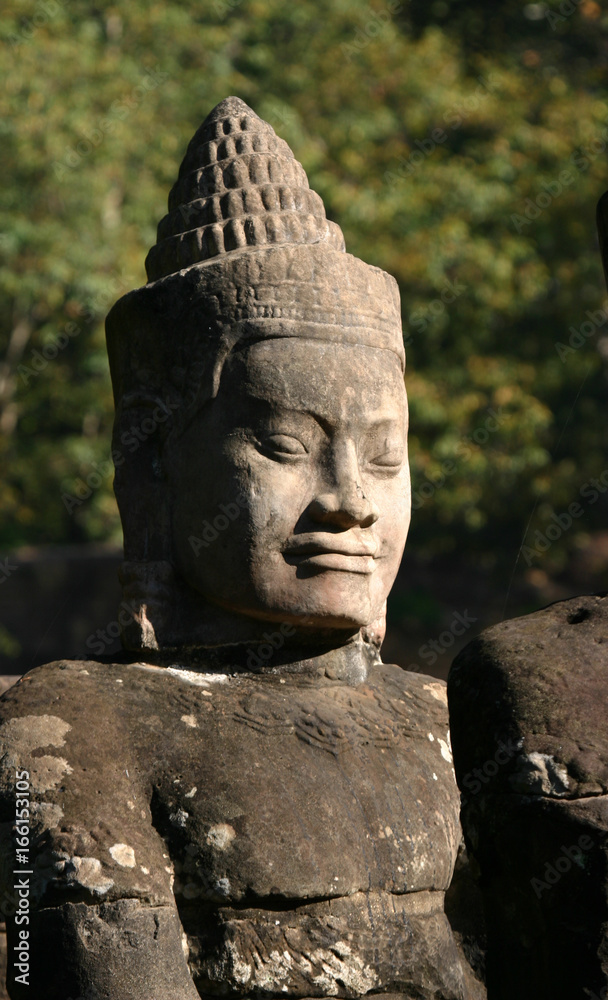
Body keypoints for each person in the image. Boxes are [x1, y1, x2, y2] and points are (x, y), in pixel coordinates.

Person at [0, 97, 484, 999]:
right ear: (152, 461)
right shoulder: (72, 735)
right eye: (287, 447)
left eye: (386, 455)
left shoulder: (453, 724)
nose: (351, 503)